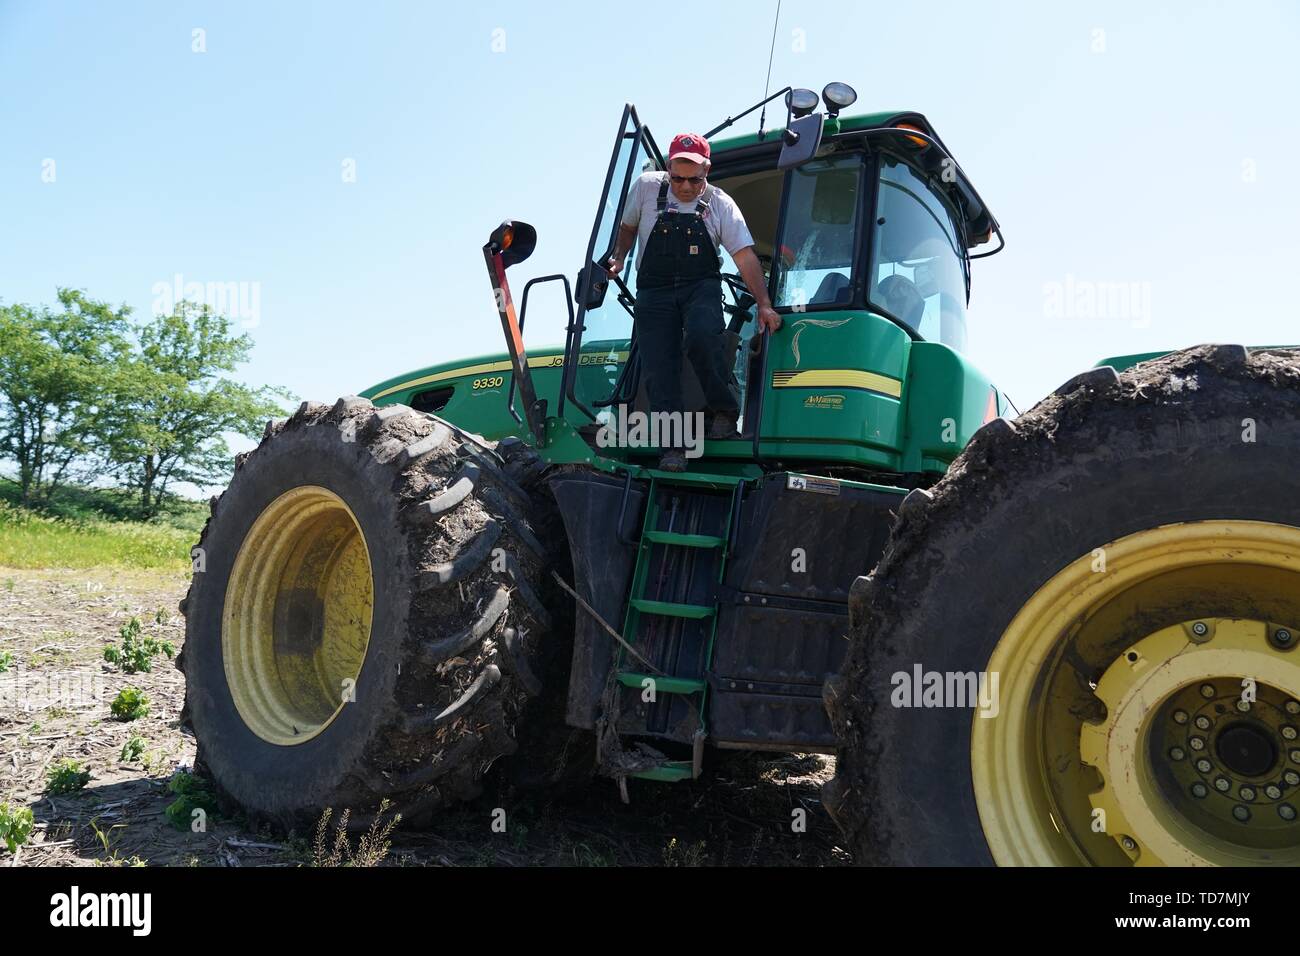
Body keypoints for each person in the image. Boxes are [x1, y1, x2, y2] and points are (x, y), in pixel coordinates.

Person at [607, 132, 780, 472]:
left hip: (699, 284)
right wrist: (617, 258)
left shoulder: (720, 205)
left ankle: (724, 410)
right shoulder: (644, 188)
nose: (684, 187)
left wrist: (764, 303)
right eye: (677, 178)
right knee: (659, 367)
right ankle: (672, 448)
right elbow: (628, 227)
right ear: (668, 168)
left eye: (694, 179)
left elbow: (744, 257)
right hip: (653, 288)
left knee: (703, 337)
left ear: (707, 171)